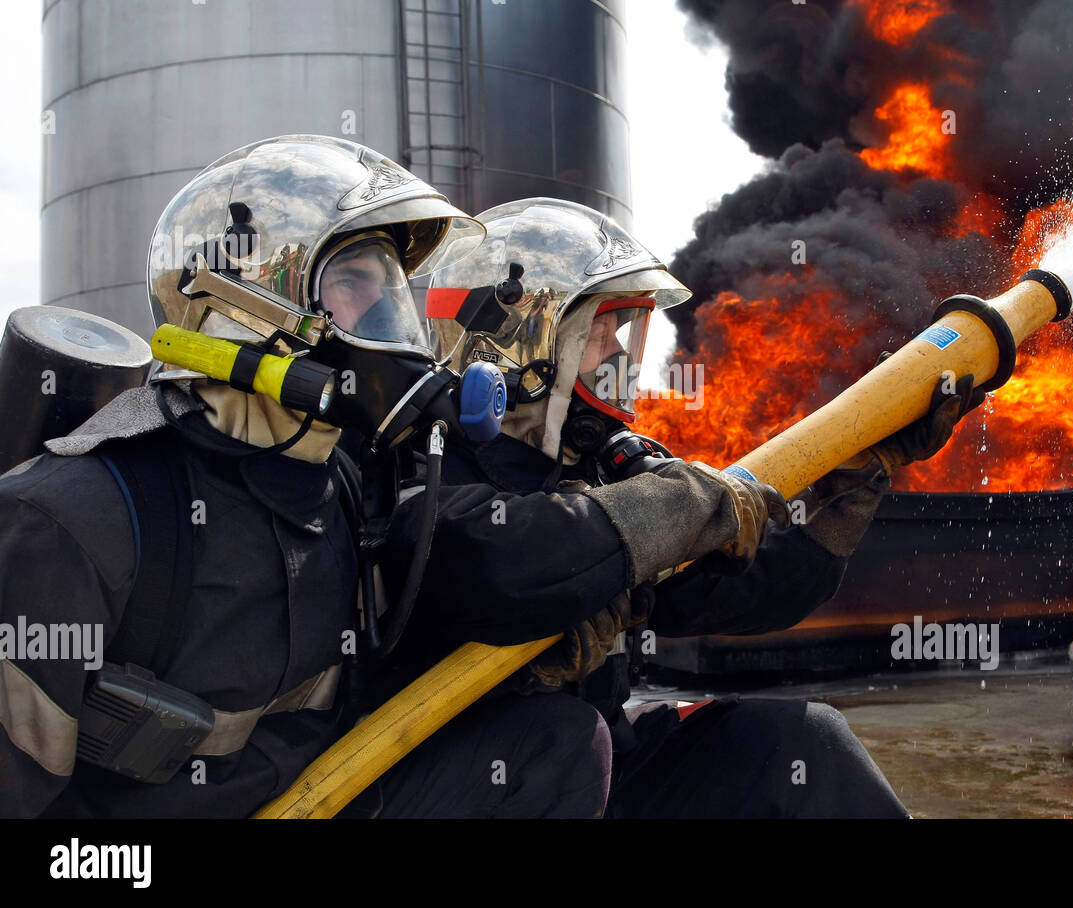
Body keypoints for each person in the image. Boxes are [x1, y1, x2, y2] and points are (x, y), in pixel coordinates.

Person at [0, 137, 611, 818]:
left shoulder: (341, 488)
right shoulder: (73, 521)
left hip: (316, 798)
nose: (389, 324)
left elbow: (365, 685)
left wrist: (519, 662)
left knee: (551, 743)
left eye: (392, 294)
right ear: (246, 307)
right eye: (354, 284)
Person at [403, 197, 984, 818]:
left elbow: (752, 586)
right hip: (468, 792)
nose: (619, 356)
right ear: (524, 338)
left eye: (622, 333)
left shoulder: (592, 468)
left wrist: (857, 474)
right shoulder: (423, 460)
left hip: (598, 774)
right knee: (563, 737)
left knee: (800, 746)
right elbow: (498, 560)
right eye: (600, 331)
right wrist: (667, 511)